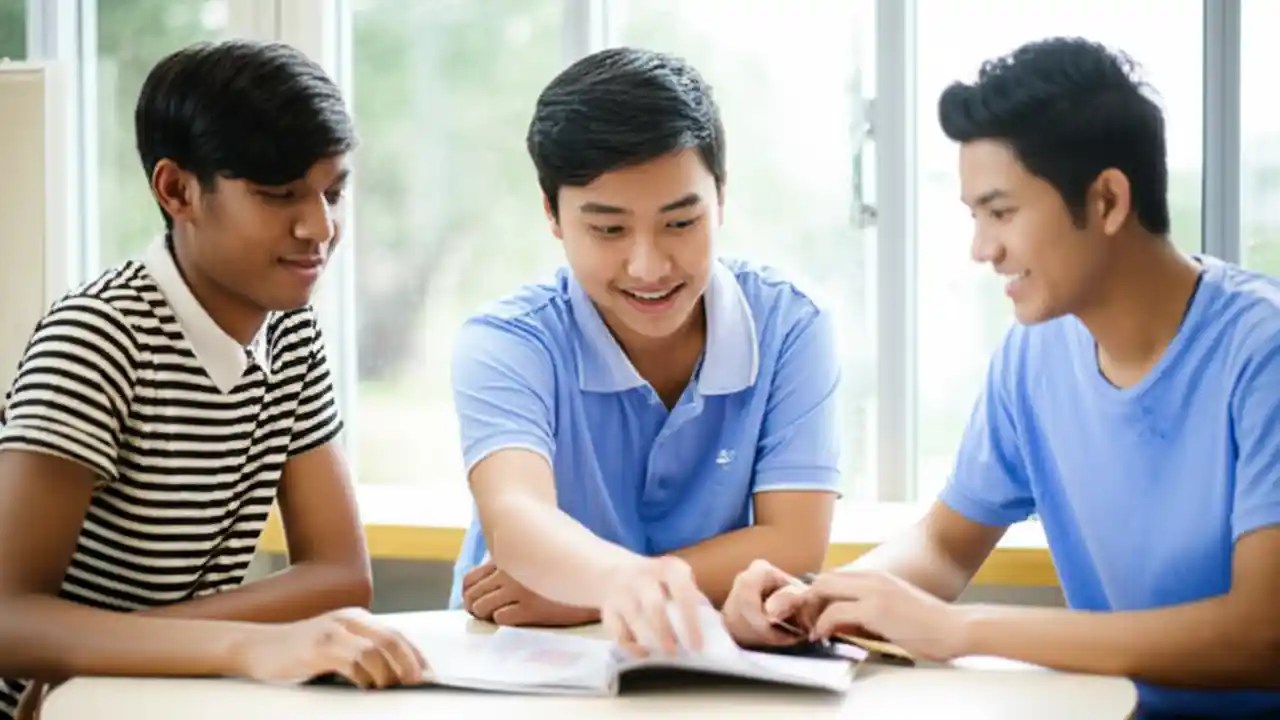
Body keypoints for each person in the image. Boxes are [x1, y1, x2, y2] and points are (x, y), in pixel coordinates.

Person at [722, 37, 1280, 718]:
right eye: (975, 217)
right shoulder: (1034, 356)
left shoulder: (1262, 354)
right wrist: (816, 601)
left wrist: (964, 631)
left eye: (1001, 212)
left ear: (1107, 200)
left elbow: (1263, 633)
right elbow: (943, 547)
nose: (982, 250)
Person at [0, 40, 425, 719]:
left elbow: (340, 577)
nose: (320, 227)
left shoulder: (290, 331)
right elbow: (9, 622)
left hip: (153, 696)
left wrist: (137, 647)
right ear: (177, 191)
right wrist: (240, 646)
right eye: (280, 195)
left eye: (334, 191)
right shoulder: (97, 338)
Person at [450, 46, 842, 655]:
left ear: (721, 197)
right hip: (520, 658)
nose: (649, 265)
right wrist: (621, 584)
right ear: (552, 214)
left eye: (680, 223)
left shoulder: (791, 326)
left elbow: (794, 540)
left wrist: (590, 591)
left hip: (701, 667)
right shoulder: (507, 341)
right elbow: (516, 520)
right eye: (608, 229)